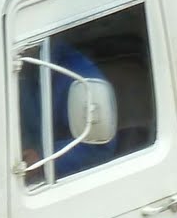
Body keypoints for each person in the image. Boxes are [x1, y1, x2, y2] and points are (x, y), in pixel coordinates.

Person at [18, 38, 118, 181]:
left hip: (59, 182)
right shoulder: (24, 65)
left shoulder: (79, 77)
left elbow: (98, 145)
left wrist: (41, 158)